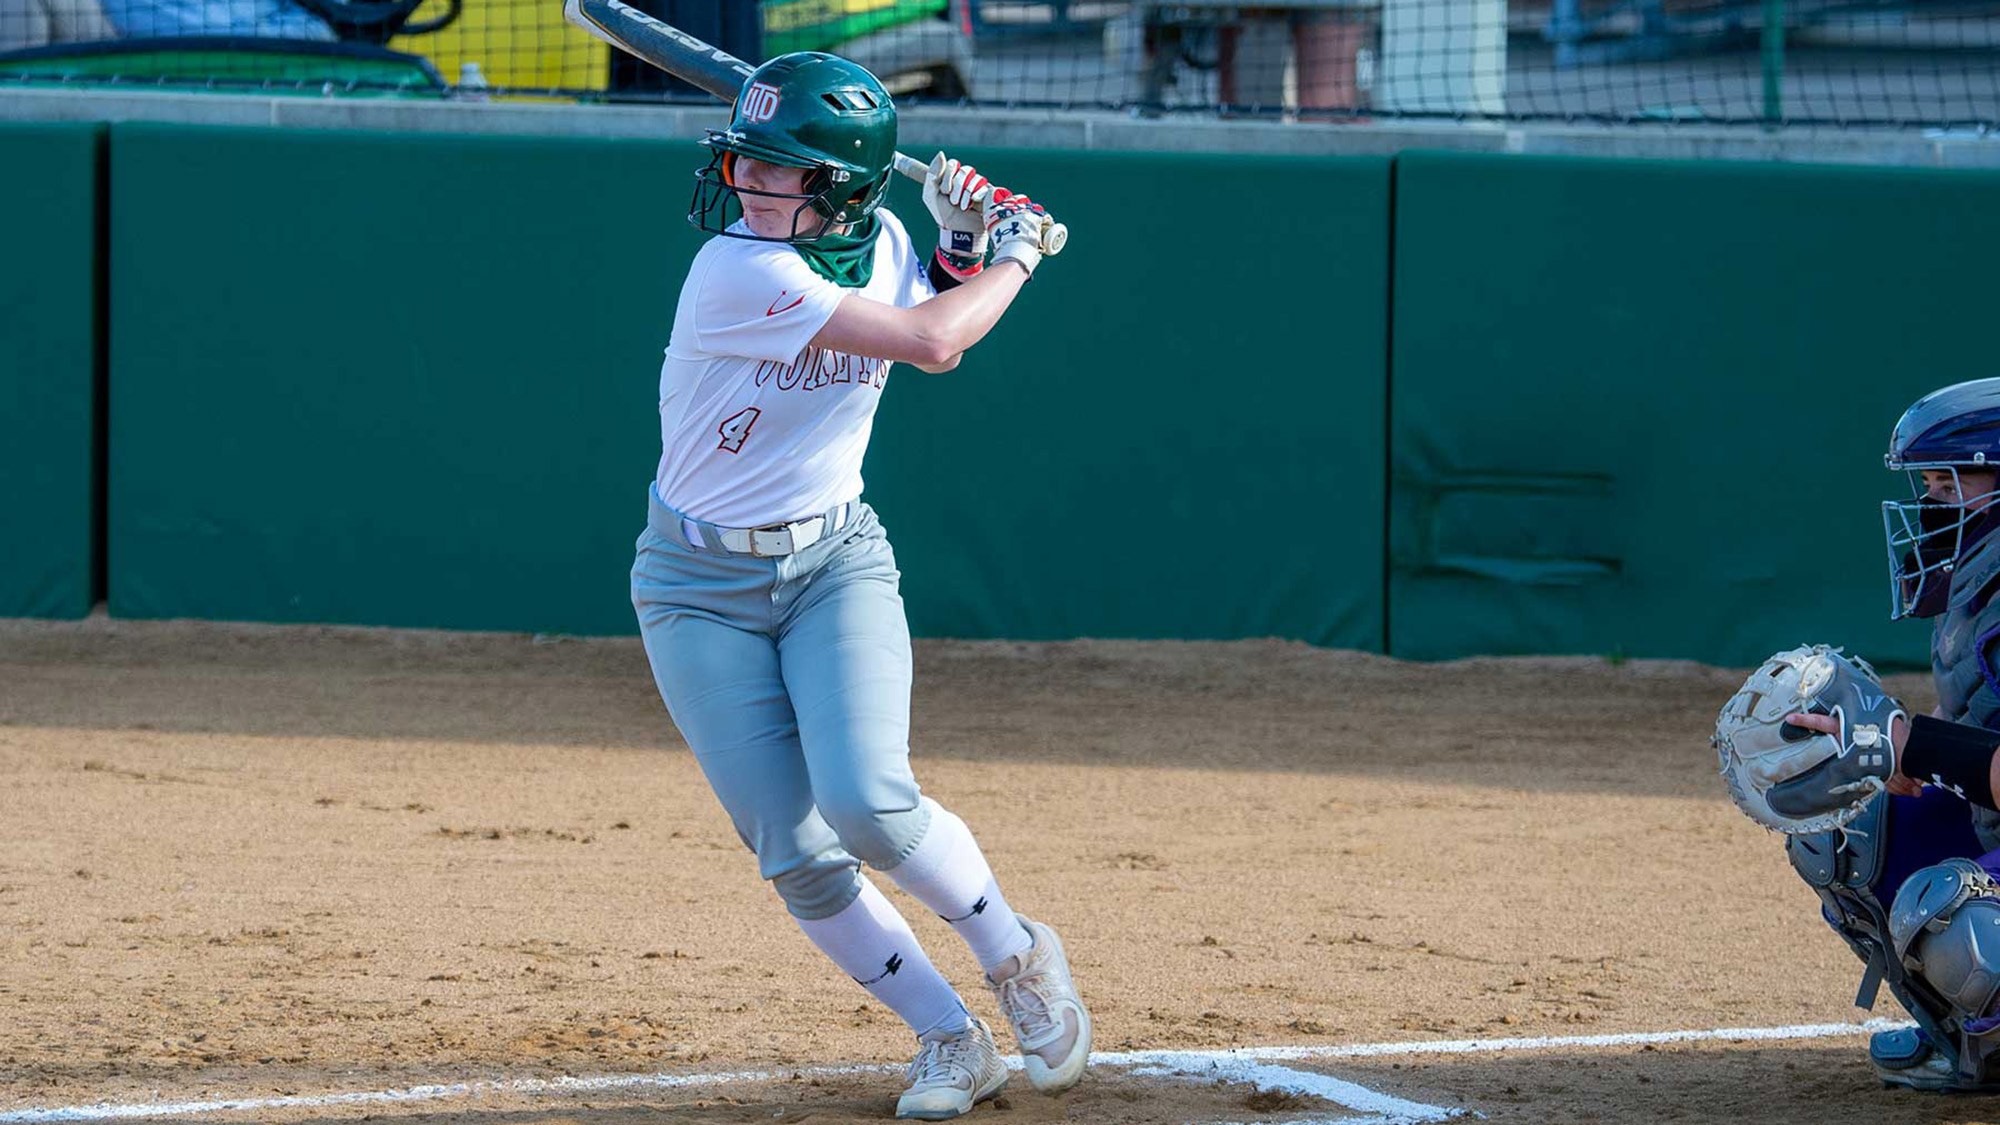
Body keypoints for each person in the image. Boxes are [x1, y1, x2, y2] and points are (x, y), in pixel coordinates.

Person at [627, 51, 1090, 1122]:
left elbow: (928, 306)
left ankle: (1017, 958)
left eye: (778, 166)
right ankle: (947, 1040)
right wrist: (1016, 258)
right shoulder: (738, 270)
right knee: (795, 851)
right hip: (693, 584)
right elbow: (935, 342)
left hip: (832, 562)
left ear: (840, 185)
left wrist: (964, 239)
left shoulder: (875, 239)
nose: (746, 181)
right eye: (743, 158)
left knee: (868, 802)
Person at [1773, 377, 2000, 1092]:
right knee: (1847, 823)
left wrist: (1910, 741)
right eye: (1928, 482)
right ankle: (1976, 1046)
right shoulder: (1980, 591)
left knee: (1960, 917)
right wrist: (1900, 754)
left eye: (1950, 481)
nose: (1930, 504)